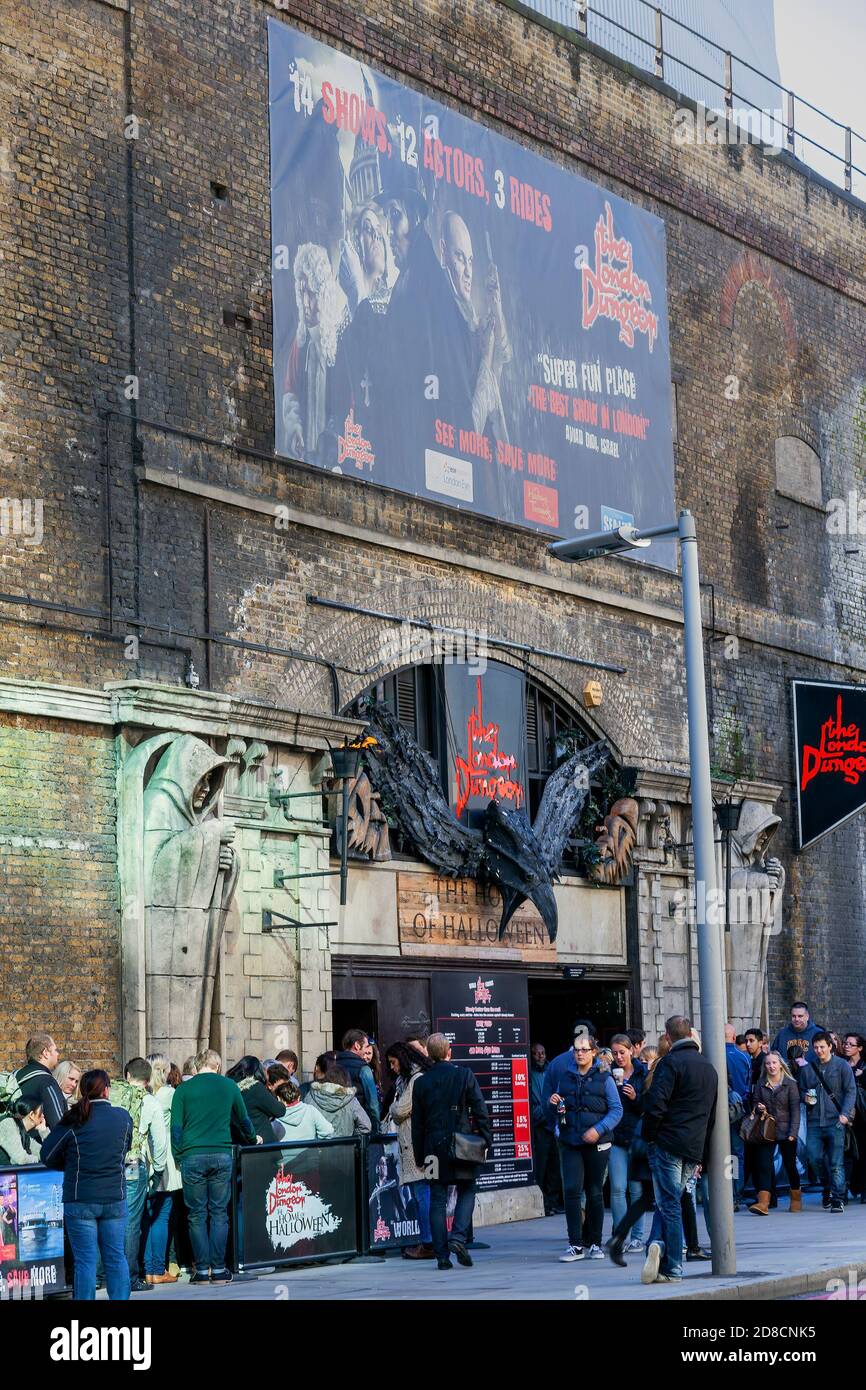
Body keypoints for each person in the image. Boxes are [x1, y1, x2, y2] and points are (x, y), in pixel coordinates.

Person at [171, 1048, 260, 1286]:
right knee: (219, 1213)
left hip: (192, 1155)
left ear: (196, 1066)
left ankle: (201, 1271)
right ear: (218, 1066)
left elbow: (176, 1128)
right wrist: (253, 1139)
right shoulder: (229, 1086)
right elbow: (243, 1120)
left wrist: (179, 1154)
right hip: (221, 1154)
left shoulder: (183, 1090)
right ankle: (219, 1269)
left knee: (196, 1215)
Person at [41, 1069, 133, 1300]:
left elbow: (48, 1154)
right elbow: (124, 1148)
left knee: (85, 1261)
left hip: (80, 1198)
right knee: (116, 1257)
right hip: (114, 1196)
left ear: (83, 1091)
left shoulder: (74, 1119)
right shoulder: (123, 1118)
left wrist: (71, 1165)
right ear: (107, 1090)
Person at [640, 1015, 718, 1284]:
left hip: (668, 1143)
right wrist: (701, 1154)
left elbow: (655, 1104)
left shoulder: (670, 1063)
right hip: (693, 1146)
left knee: (669, 1204)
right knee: (669, 1200)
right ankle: (657, 1246)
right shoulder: (709, 1068)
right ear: (691, 1035)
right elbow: (711, 1117)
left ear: (667, 1036)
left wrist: (649, 1136)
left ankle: (672, 1265)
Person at [411, 1033, 492, 1271]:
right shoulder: (464, 1075)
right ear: (449, 1052)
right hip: (462, 1143)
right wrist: (486, 1140)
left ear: (429, 1054)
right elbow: (480, 1110)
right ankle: (457, 1237)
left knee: (437, 1197)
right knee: (467, 1188)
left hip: (433, 1148)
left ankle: (441, 1256)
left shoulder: (422, 1082)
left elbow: (418, 1123)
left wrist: (419, 1156)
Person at [543, 1027, 623, 1262]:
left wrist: (598, 1130)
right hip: (570, 1141)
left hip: (597, 1142)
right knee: (571, 1192)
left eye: (584, 1050)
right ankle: (575, 1244)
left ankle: (595, 1244)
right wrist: (554, 1104)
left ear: (594, 1052)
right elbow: (559, 1107)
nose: (579, 1054)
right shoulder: (565, 1077)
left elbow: (616, 1110)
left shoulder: (604, 1078)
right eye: (576, 1050)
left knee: (595, 1191)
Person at [279, 242, 350, 465]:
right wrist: (295, 428)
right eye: (302, 294)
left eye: (311, 294)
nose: (306, 304)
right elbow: (290, 392)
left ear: (323, 293)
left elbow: (347, 400)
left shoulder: (340, 342)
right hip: (306, 454)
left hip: (335, 455)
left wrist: (331, 435)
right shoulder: (299, 343)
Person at [110, 1056, 168, 1293]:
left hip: (110, 1165)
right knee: (132, 1222)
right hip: (134, 1163)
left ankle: (105, 1274)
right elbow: (160, 1141)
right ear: (148, 1079)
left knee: (109, 1219)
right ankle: (130, 1278)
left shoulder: (112, 1096)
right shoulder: (150, 1102)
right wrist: (159, 1170)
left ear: (127, 1076)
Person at [798, 1030, 857, 1212]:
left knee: (836, 1162)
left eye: (822, 1047)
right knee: (813, 1158)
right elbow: (801, 1090)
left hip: (836, 1120)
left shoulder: (841, 1066)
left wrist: (845, 1113)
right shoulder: (808, 1069)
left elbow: (850, 1090)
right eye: (815, 1047)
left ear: (830, 1047)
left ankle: (838, 1198)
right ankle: (827, 1186)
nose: (819, 1050)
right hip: (815, 1120)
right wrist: (805, 1097)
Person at [385, 1041, 434, 1259]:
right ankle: (430, 1240)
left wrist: (396, 1107)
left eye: (394, 1063)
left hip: (417, 1145)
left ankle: (429, 1242)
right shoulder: (408, 1079)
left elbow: (400, 1109)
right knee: (423, 1194)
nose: (393, 1068)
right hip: (419, 1144)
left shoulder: (416, 1079)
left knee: (423, 1194)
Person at [141, 1054, 184, 1285]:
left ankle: (149, 1269)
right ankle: (158, 1269)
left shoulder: (144, 1094)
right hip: (164, 1159)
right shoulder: (170, 1094)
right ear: (165, 1071)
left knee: (148, 1216)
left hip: (144, 1158)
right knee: (162, 1216)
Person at [743, 1050, 801, 1214]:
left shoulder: (790, 1083)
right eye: (768, 1063)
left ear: (781, 1065)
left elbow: (795, 1110)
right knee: (764, 1165)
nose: (771, 1066)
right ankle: (763, 1203)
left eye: (774, 1063)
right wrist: (760, 1107)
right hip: (766, 1130)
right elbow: (754, 1102)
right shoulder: (761, 1082)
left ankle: (796, 1197)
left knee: (790, 1165)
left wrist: (793, 1132)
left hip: (786, 1130)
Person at [608, 1034, 647, 1252]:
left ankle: (638, 1236)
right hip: (616, 1137)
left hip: (637, 1137)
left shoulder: (643, 1073)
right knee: (617, 1188)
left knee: (636, 1189)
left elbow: (650, 1106)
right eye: (615, 1053)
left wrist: (636, 1098)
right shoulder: (607, 1074)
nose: (619, 1057)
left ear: (631, 1050)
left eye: (622, 1052)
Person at [530, 1041, 563, 1216]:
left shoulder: (552, 1070)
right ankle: (541, 1203)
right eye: (536, 1053)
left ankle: (552, 1202)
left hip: (554, 1125)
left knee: (555, 1166)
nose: (541, 1056)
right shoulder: (529, 1073)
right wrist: (544, 1113)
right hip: (541, 1126)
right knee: (541, 1166)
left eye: (543, 1052)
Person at [12, 1034, 66, 1131]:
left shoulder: (15, 1076)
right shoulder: (46, 1081)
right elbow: (59, 1124)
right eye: (55, 1050)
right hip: (38, 1144)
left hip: (15, 1140)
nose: (58, 1054)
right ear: (45, 1052)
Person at [227, 1055, 285, 1144]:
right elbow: (279, 1111)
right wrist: (278, 1099)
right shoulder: (255, 1087)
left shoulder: (229, 1089)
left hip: (238, 1144)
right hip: (262, 1146)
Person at [305, 1064, 371, 1138]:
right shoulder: (351, 1101)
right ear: (346, 1080)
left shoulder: (311, 1096)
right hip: (343, 1146)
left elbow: (304, 1123)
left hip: (316, 1146)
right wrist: (351, 1136)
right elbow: (366, 1126)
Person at [725, 1023, 751, 1207]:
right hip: (738, 1110)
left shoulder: (714, 1056)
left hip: (720, 1111)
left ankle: (726, 1193)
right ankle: (735, 1193)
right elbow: (748, 1083)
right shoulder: (744, 1057)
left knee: (724, 1155)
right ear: (734, 1038)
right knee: (736, 1155)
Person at [336, 1029, 380, 1129]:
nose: (366, 1051)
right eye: (366, 1046)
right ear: (357, 1045)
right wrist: (376, 1128)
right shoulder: (364, 1069)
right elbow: (373, 1105)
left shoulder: (333, 1065)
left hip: (337, 1125)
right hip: (360, 1126)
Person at [771, 1002, 823, 1071]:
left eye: (800, 1016)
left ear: (807, 1016)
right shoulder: (782, 1034)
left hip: (811, 1077)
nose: (796, 1019)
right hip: (787, 1077)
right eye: (793, 1016)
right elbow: (773, 1055)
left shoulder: (818, 1033)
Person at [0, 1098, 43, 1165]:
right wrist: (39, 1160)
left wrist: (44, 1132)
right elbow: (21, 1159)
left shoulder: (25, 1136)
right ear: (31, 1115)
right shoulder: (8, 1124)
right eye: (40, 1114)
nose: (43, 1116)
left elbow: (46, 1154)